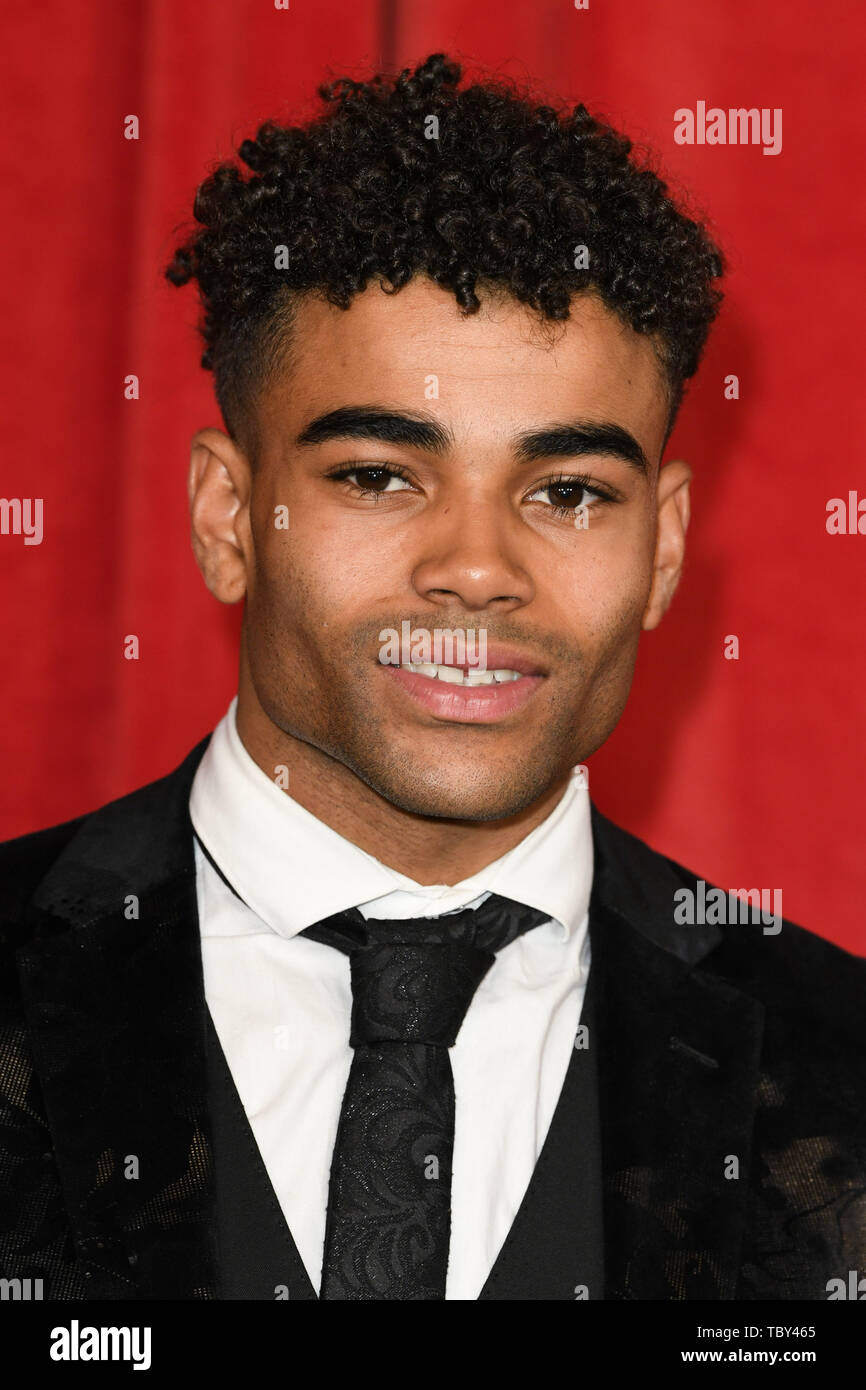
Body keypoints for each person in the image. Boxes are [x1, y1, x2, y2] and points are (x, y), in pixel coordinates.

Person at [1, 52, 863, 1303]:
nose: (474, 568)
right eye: (377, 474)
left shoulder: (841, 1068)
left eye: (566, 492)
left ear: (662, 548)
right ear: (228, 514)